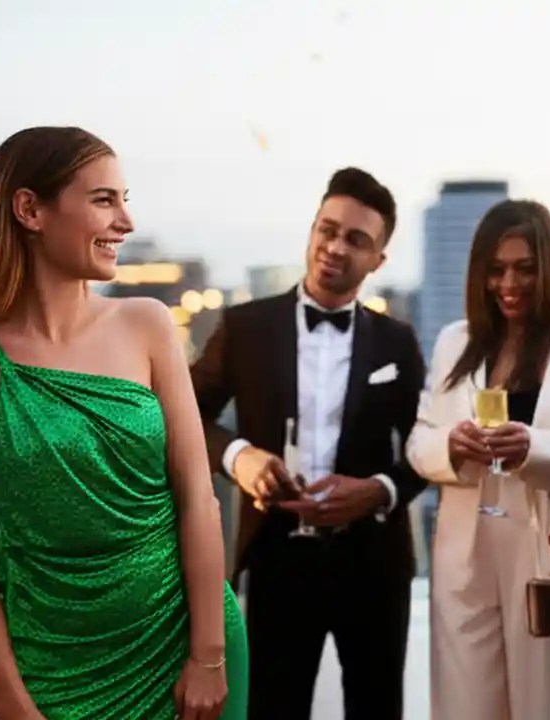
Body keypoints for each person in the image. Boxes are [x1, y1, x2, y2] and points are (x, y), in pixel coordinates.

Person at [0, 126, 248, 719]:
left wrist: (209, 655)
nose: (127, 222)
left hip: (187, 652)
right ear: (30, 209)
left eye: (125, 199)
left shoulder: (148, 325)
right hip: (51, 673)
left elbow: (197, 497)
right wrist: (11, 702)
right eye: (104, 200)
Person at [189, 167, 426, 720]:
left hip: (373, 566)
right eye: (328, 229)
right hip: (276, 558)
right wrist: (237, 456)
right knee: (273, 708)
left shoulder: (398, 340)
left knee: (376, 709)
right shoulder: (245, 327)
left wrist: (379, 490)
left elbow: (425, 445)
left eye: (356, 239)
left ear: (378, 261)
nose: (335, 247)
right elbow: (182, 415)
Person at [407, 199, 550, 720]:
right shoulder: (454, 342)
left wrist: (534, 448)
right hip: (466, 558)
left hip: (546, 556)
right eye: (497, 269)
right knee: (464, 707)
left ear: (549, 269)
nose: (509, 283)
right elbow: (419, 441)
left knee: (548, 707)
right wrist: (451, 448)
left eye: (526, 269)